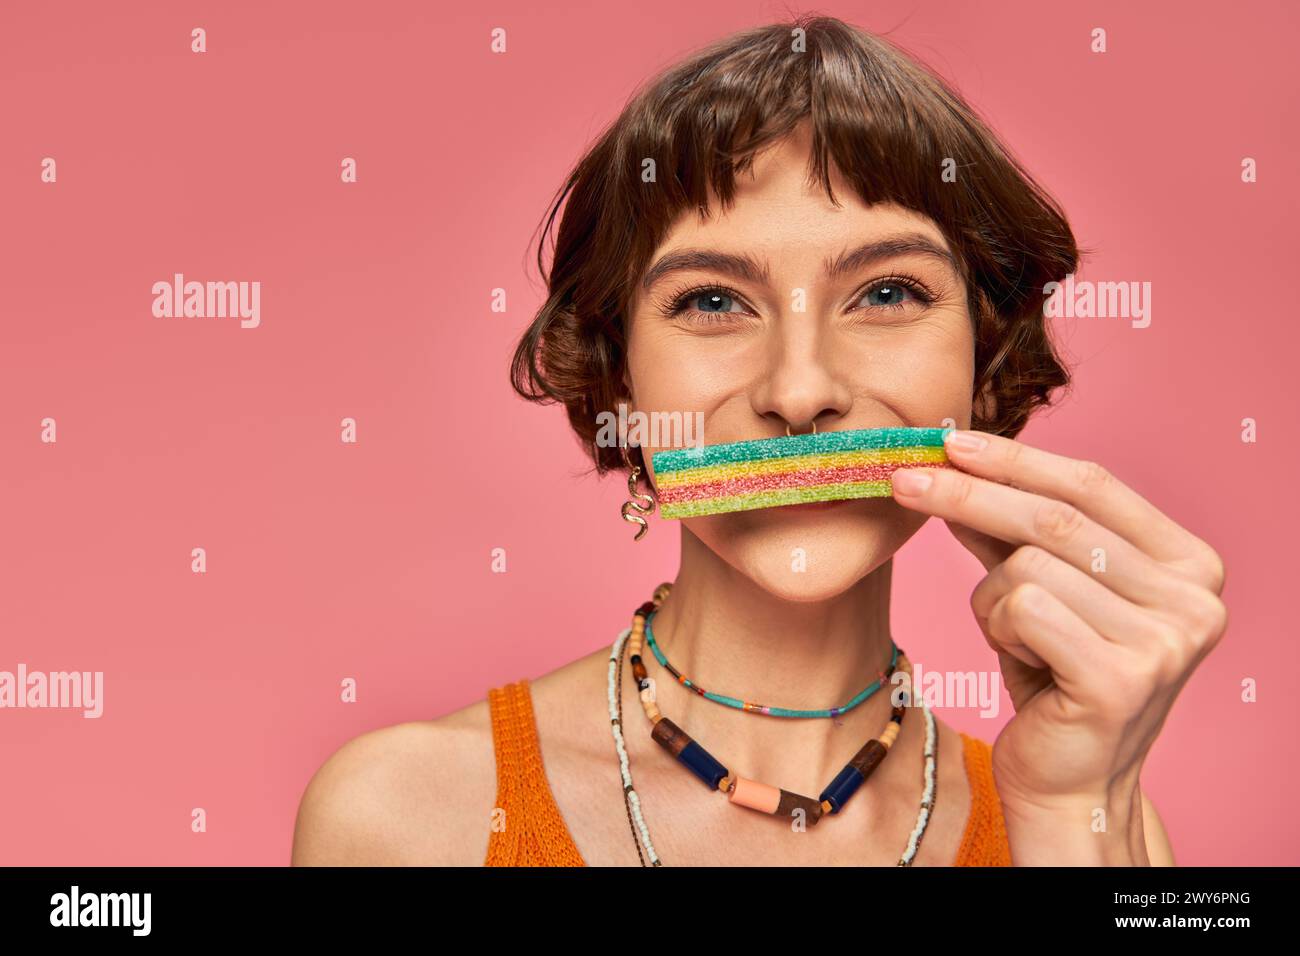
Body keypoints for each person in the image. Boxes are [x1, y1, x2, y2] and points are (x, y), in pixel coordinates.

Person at [292, 15, 1222, 867]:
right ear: (619, 376)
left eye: (888, 293)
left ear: (984, 369)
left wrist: (1068, 821)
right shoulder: (406, 816)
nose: (799, 390)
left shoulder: (1107, 831)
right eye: (711, 301)